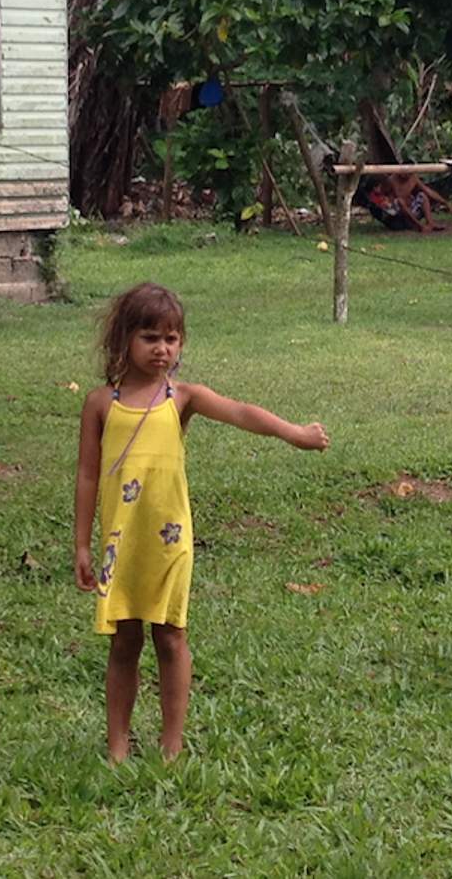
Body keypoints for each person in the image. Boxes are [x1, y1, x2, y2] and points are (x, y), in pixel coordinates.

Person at [72, 282, 329, 762]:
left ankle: (172, 745)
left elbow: (239, 412)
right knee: (124, 641)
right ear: (124, 339)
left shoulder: (182, 397)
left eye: (172, 338)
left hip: (169, 541)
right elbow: (87, 476)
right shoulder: (100, 404)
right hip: (120, 543)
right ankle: (118, 745)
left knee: (171, 636)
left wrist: (294, 433)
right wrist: (82, 545)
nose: (162, 348)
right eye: (150, 337)